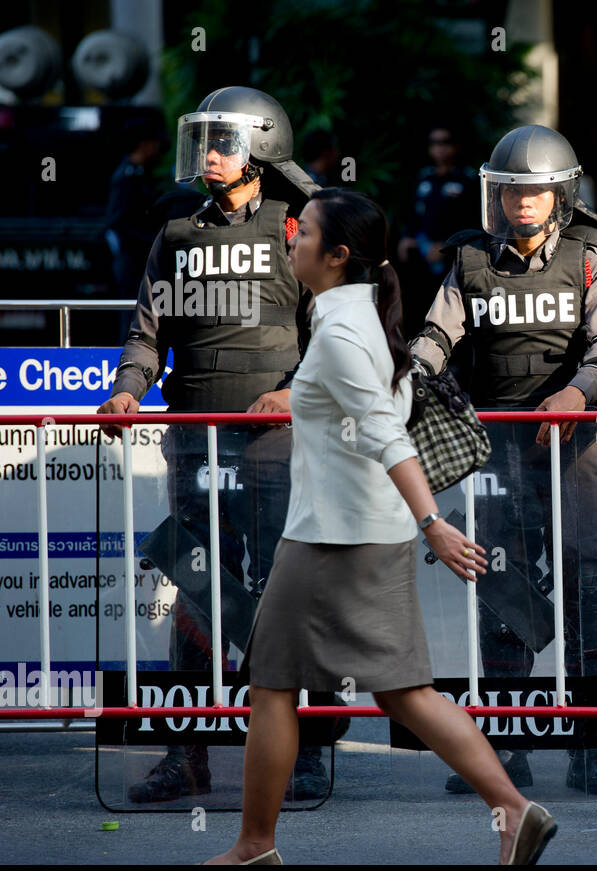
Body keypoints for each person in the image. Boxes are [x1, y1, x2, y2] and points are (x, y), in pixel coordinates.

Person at [204, 188, 555, 865]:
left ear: (338, 255)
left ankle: (252, 846)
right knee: (405, 692)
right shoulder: (354, 313)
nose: (290, 238)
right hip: (363, 530)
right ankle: (513, 809)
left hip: (333, 537)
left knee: (273, 681)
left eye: (302, 231)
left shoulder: (340, 331)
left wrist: (434, 524)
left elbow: (387, 434)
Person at [96, 86, 332, 803]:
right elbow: (147, 331)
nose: (209, 156)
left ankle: (305, 751)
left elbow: (335, 331)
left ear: (262, 150)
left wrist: (293, 391)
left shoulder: (296, 229)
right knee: (194, 593)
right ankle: (186, 751)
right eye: (203, 142)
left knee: (282, 591)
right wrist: (129, 387)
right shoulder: (176, 233)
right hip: (193, 441)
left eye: (223, 142)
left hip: (275, 445)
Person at [410, 124, 597, 796]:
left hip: (575, 443)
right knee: (500, 586)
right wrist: (405, 380)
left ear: (559, 195)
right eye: (510, 191)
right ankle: (506, 744)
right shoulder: (472, 260)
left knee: (585, 584)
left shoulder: (594, 255)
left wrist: (572, 394)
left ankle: (593, 748)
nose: (521, 202)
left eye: (534, 191)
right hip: (497, 445)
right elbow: (438, 335)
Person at [397, 124, 479, 337]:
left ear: (455, 146)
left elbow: (472, 223)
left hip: (451, 259)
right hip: (421, 257)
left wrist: (445, 246)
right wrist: (407, 238)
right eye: (435, 143)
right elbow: (412, 215)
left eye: (445, 143)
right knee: (417, 307)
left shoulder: (467, 180)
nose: (440, 148)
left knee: (450, 310)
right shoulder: (424, 179)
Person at [105, 116, 164, 343]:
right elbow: (117, 222)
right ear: (144, 144)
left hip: (140, 260)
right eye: (153, 142)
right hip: (132, 262)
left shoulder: (140, 174)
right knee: (131, 314)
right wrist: (153, 241)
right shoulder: (126, 177)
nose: (157, 147)